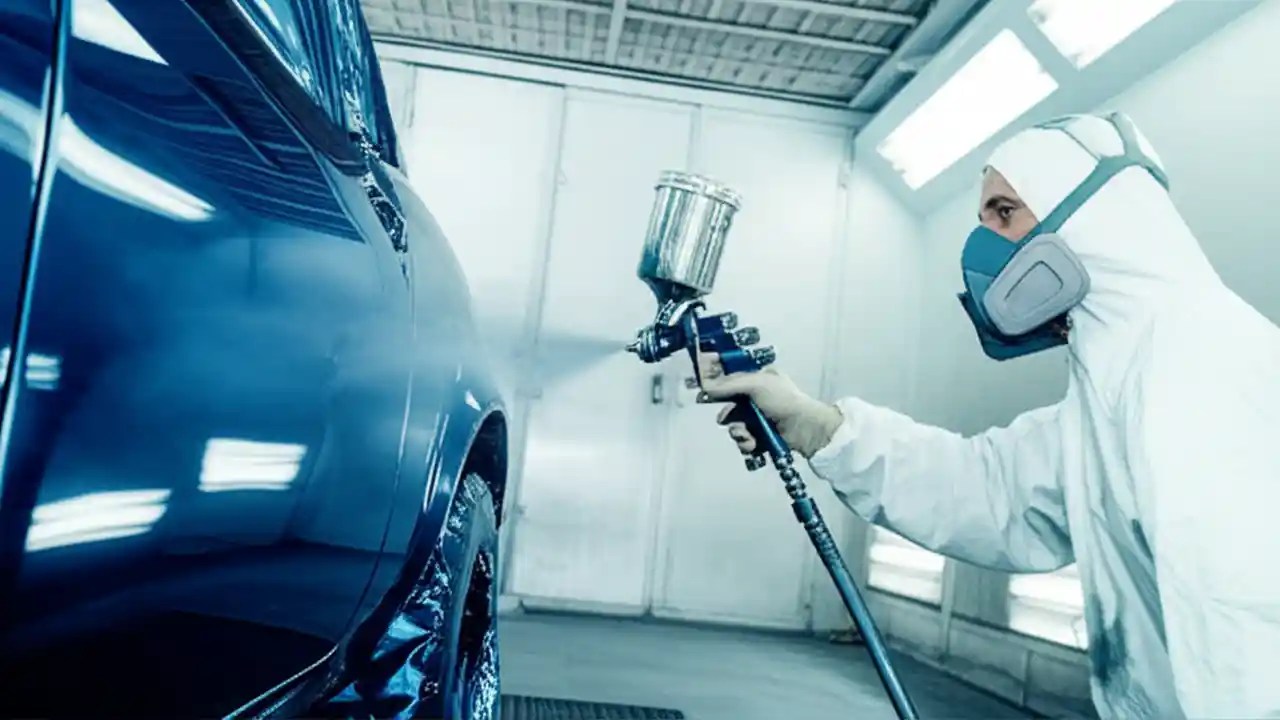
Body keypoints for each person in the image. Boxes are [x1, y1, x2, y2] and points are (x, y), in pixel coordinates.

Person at [697, 112, 1280, 719]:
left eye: (1004, 213)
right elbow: (993, 491)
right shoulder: (1114, 389)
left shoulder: (1202, 363)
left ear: (1091, 221)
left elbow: (1246, 629)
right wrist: (817, 426)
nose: (987, 244)